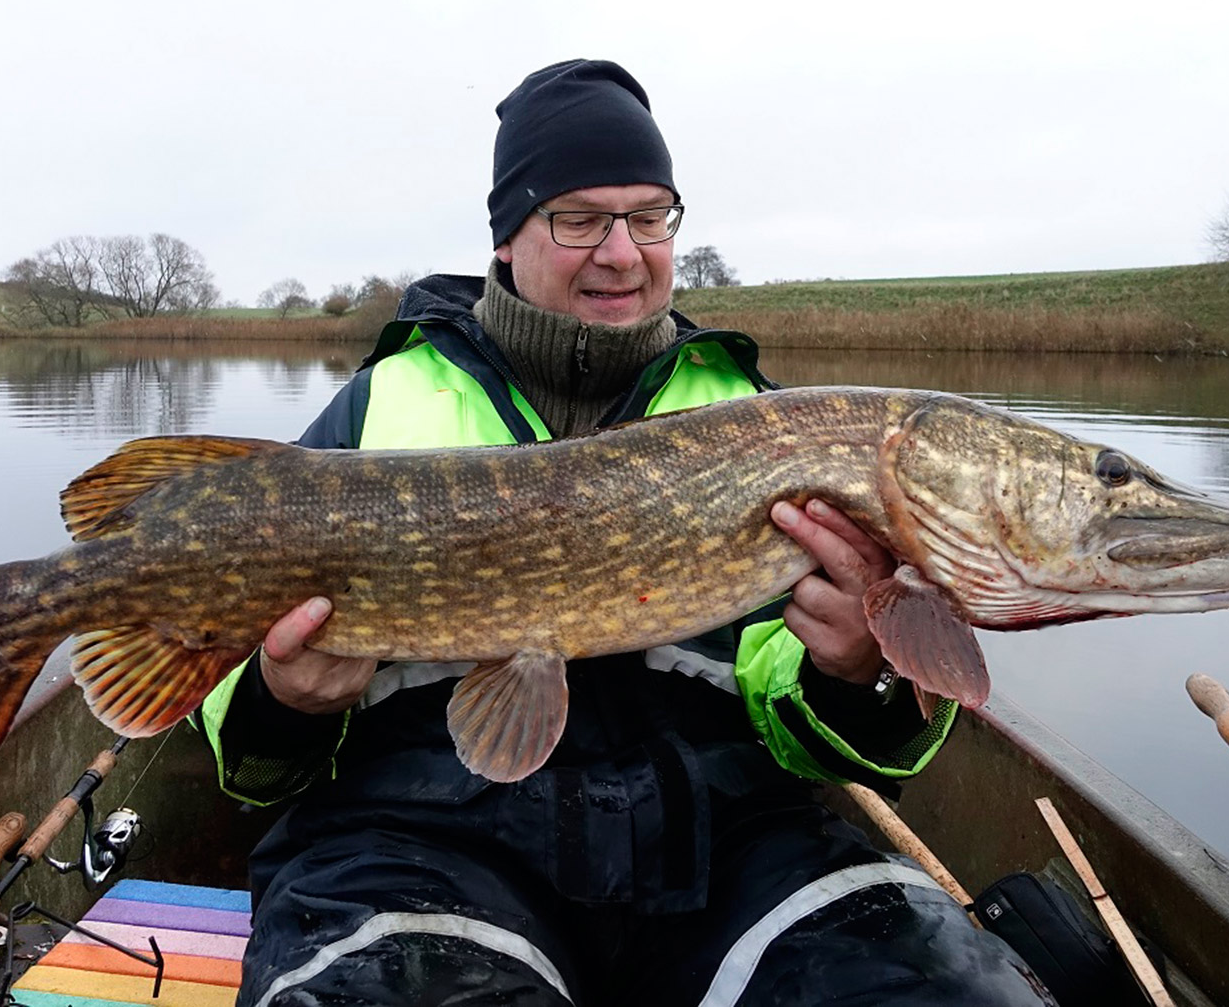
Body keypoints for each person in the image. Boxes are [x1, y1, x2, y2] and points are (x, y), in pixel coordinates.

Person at [197, 60, 1051, 1006]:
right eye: (580, 219)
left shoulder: (764, 425)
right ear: (509, 235)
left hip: (728, 849)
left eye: (651, 217)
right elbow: (244, 749)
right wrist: (286, 699)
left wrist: (858, 671)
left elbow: (824, 736)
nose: (622, 251)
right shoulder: (382, 408)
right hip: (419, 843)